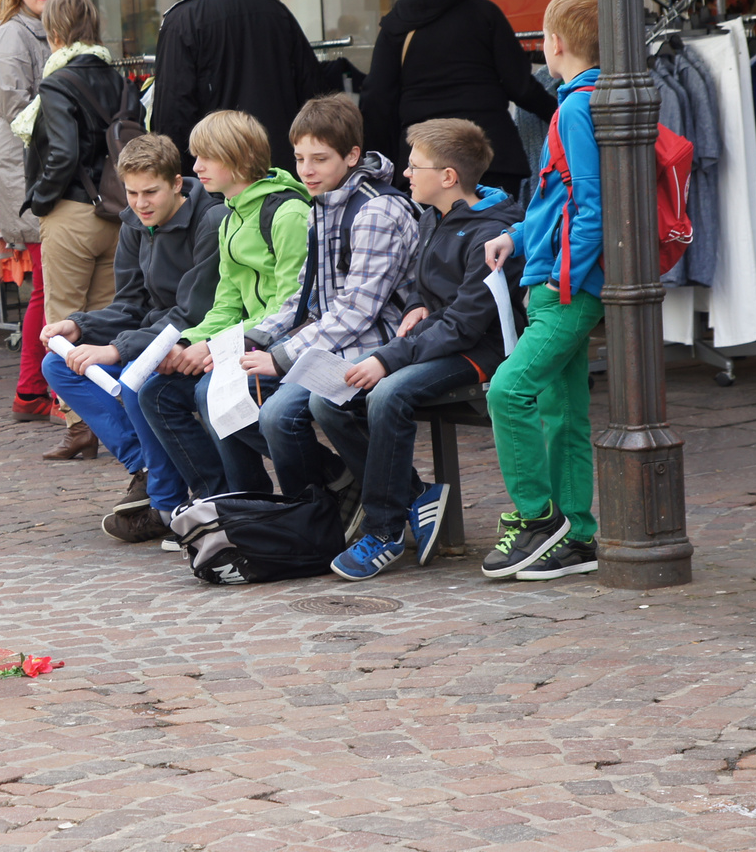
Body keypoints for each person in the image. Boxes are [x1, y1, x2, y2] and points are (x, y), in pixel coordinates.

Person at [321, 119, 523, 581]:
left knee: (387, 394)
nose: (405, 175)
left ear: (448, 177)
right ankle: (416, 494)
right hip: (434, 337)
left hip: (479, 350)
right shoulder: (433, 214)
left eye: (415, 167)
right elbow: (422, 285)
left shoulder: (490, 232)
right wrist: (414, 306)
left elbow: (466, 324)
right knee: (326, 397)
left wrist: (389, 357)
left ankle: (385, 531)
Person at [37, 135, 225, 545]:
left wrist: (116, 349)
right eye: (132, 192)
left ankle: (164, 503)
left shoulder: (208, 221)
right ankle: (148, 468)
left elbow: (192, 312)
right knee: (56, 364)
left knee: (135, 378)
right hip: (150, 340)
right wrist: (79, 326)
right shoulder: (134, 224)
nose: (140, 203)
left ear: (176, 183)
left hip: (192, 343)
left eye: (151, 192)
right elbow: (129, 305)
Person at [242, 94, 419, 517]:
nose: (306, 170)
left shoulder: (376, 210)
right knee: (228, 393)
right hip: (333, 342)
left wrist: (283, 357)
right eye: (300, 157)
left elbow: (358, 310)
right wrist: (248, 340)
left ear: (352, 155)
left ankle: (327, 510)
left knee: (276, 414)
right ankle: (336, 489)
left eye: (319, 159)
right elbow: (303, 297)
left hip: (374, 344)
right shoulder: (320, 204)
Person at [480, 0, 604, 581]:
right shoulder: (581, 101)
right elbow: (560, 199)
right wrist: (521, 238)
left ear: (553, 45)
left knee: (508, 392)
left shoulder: (576, 107)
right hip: (564, 279)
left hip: (565, 288)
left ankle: (537, 519)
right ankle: (576, 533)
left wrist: (563, 277)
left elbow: (587, 204)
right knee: (563, 410)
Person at [138, 110, 310, 501]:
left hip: (285, 346)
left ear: (239, 158)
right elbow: (226, 304)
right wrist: (185, 343)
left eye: (206, 157)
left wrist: (216, 348)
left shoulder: (287, 214)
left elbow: (291, 309)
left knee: (208, 391)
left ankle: (285, 491)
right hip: (243, 344)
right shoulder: (230, 216)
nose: (195, 167)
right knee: (156, 393)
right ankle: (221, 499)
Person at [18, 0, 126, 461]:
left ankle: (79, 427)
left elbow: (61, 153)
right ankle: (113, 420)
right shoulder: (119, 79)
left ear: (55, 32)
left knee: (61, 323)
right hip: (117, 212)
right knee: (105, 321)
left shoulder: (58, 83)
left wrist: (40, 200)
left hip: (72, 212)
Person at [358, 0, 557, 190]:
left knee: (432, 228)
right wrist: (556, 111)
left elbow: (376, 96)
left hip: (425, 158)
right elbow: (520, 86)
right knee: (495, 227)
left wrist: (377, 158)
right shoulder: (486, 14)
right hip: (489, 156)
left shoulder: (400, 21)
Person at [151, 0, 324, 173]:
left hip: (219, 180)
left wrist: (185, 183)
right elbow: (313, 95)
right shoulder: (277, 12)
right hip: (283, 172)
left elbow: (172, 116)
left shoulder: (181, 22)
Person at [0, 0, 70, 424]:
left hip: (40, 159)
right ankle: (32, 390)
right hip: (24, 161)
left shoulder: (45, 30)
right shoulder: (12, 34)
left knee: (47, 282)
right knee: (45, 282)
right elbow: (21, 110)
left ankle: (33, 389)